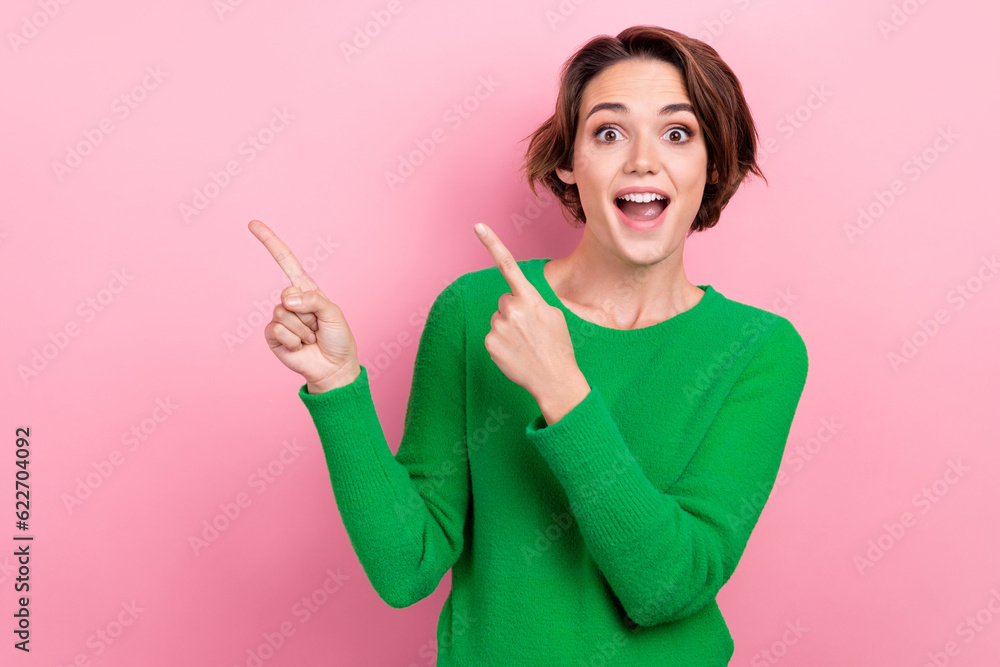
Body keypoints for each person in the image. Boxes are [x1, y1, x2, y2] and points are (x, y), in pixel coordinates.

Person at [250, 24, 808, 666]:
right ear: (569, 162)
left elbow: (668, 588)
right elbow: (407, 568)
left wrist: (560, 388)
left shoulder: (759, 349)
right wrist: (337, 386)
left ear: (713, 163)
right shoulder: (476, 312)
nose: (642, 160)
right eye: (609, 132)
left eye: (677, 134)